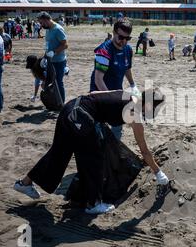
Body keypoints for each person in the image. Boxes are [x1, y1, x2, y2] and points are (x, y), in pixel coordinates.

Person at [14, 89, 170, 215]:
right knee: (94, 159)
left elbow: (94, 93)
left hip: (70, 108)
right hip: (81, 117)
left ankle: (24, 183)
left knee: (58, 152)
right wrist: (158, 172)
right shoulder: (135, 113)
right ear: (149, 105)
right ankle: (93, 204)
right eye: (157, 108)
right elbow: (145, 151)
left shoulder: (127, 94)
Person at [90, 18, 140, 140]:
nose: (123, 41)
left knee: (117, 126)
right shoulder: (104, 51)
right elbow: (98, 79)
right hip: (100, 94)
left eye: (127, 38)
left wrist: (133, 85)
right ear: (113, 32)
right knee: (98, 128)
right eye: (120, 37)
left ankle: (114, 148)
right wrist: (111, 99)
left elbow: (127, 68)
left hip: (116, 92)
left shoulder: (127, 50)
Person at [37, 11, 69, 103]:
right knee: (49, 82)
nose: (41, 25)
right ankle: (54, 101)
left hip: (59, 61)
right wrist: (44, 57)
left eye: (41, 22)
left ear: (47, 20)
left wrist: (54, 52)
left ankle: (61, 104)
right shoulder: (48, 29)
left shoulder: (58, 29)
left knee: (58, 83)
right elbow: (48, 45)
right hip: (50, 60)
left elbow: (65, 45)